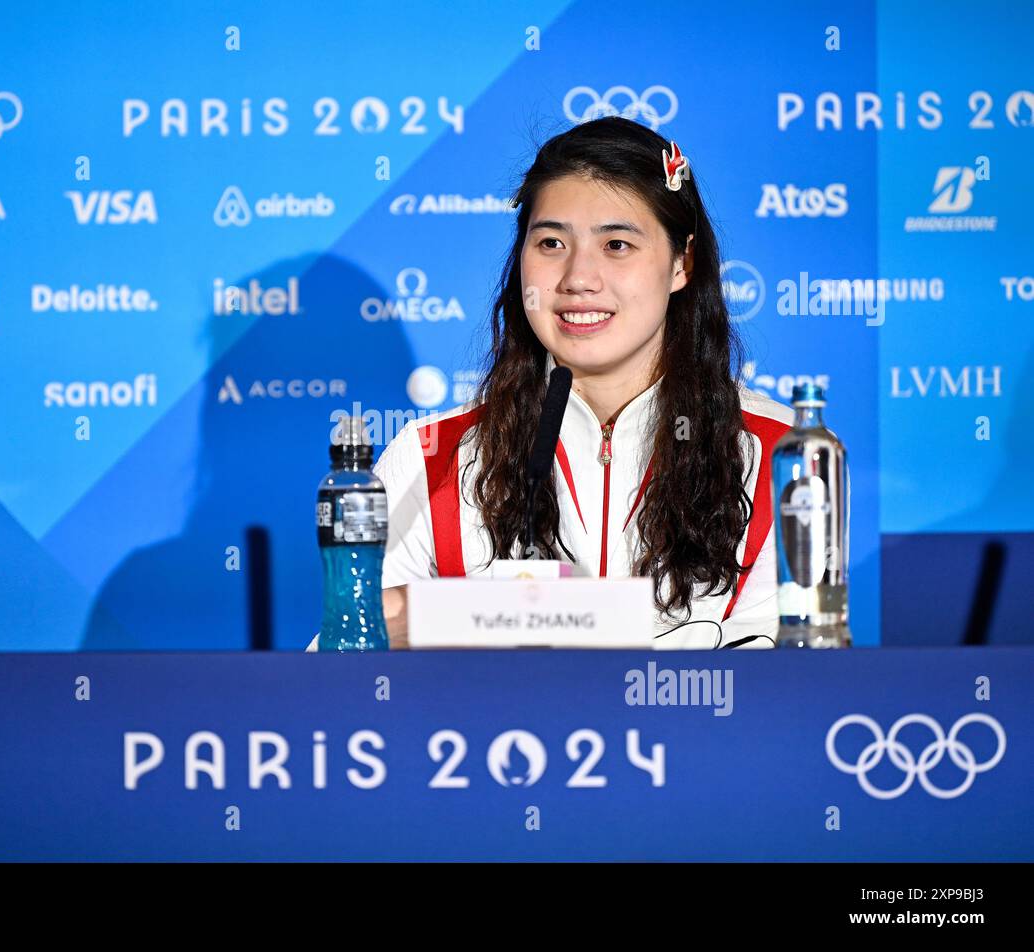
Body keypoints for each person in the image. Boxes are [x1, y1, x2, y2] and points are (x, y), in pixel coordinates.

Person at [309, 116, 793, 652]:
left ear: (682, 263)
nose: (578, 278)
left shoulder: (785, 457)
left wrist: (472, 616)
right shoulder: (431, 459)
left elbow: (791, 677)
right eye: (551, 242)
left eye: (617, 245)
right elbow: (340, 672)